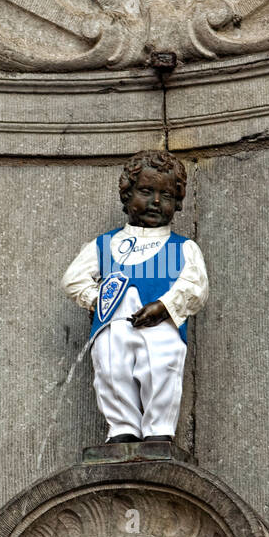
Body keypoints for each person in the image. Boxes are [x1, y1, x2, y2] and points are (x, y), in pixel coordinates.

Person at [62, 149, 208, 442]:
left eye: (166, 195)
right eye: (146, 191)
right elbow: (73, 278)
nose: (155, 201)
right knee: (111, 371)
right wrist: (96, 300)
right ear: (127, 195)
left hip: (160, 324)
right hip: (113, 324)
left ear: (177, 202)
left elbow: (195, 285)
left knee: (161, 368)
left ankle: (158, 429)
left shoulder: (182, 247)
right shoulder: (105, 244)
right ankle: (123, 427)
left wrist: (165, 305)